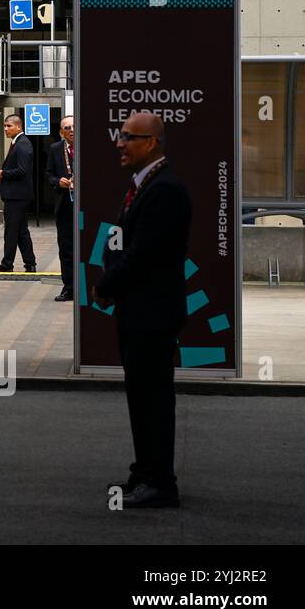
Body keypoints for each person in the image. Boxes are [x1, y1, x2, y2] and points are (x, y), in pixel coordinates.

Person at [94, 112, 192, 509]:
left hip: (152, 312)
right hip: (139, 310)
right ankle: (146, 471)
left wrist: (106, 286)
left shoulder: (165, 189)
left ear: (151, 142)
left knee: (152, 398)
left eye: (127, 137)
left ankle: (160, 482)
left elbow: (143, 254)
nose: (119, 143)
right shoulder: (146, 183)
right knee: (141, 396)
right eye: (119, 135)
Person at [0, 114, 36, 273]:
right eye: (4, 126)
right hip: (18, 196)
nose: (5, 129)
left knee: (11, 232)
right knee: (20, 231)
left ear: (19, 127)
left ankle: (7, 264)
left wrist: (2, 174)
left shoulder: (22, 144)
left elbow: (22, 170)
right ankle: (30, 263)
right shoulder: (17, 143)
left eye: (9, 126)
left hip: (17, 196)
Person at [45, 115, 76, 301]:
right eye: (67, 127)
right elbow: (48, 174)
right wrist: (58, 181)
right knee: (66, 248)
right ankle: (69, 287)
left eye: (74, 126)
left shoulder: (89, 146)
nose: (71, 130)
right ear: (61, 132)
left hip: (86, 205)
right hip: (65, 204)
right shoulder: (55, 149)